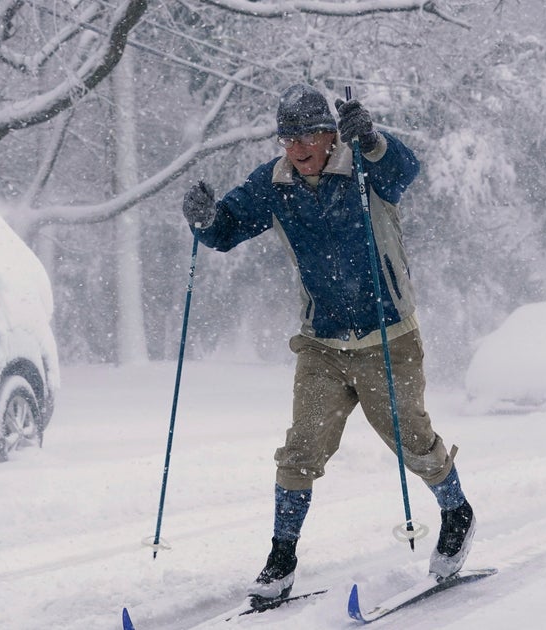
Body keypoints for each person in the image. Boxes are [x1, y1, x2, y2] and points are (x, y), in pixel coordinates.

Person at [180, 84, 475, 600]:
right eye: (286, 138)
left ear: (329, 133)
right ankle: (281, 557)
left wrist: (375, 140)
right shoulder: (273, 184)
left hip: (388, 335)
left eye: (305, 136)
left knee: (410, 438)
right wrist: (204, 220)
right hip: (321, 342)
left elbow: (405, 172)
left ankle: (457, 512)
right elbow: (226, 230)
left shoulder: (364, 165)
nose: (295, 148)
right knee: (300, 449)